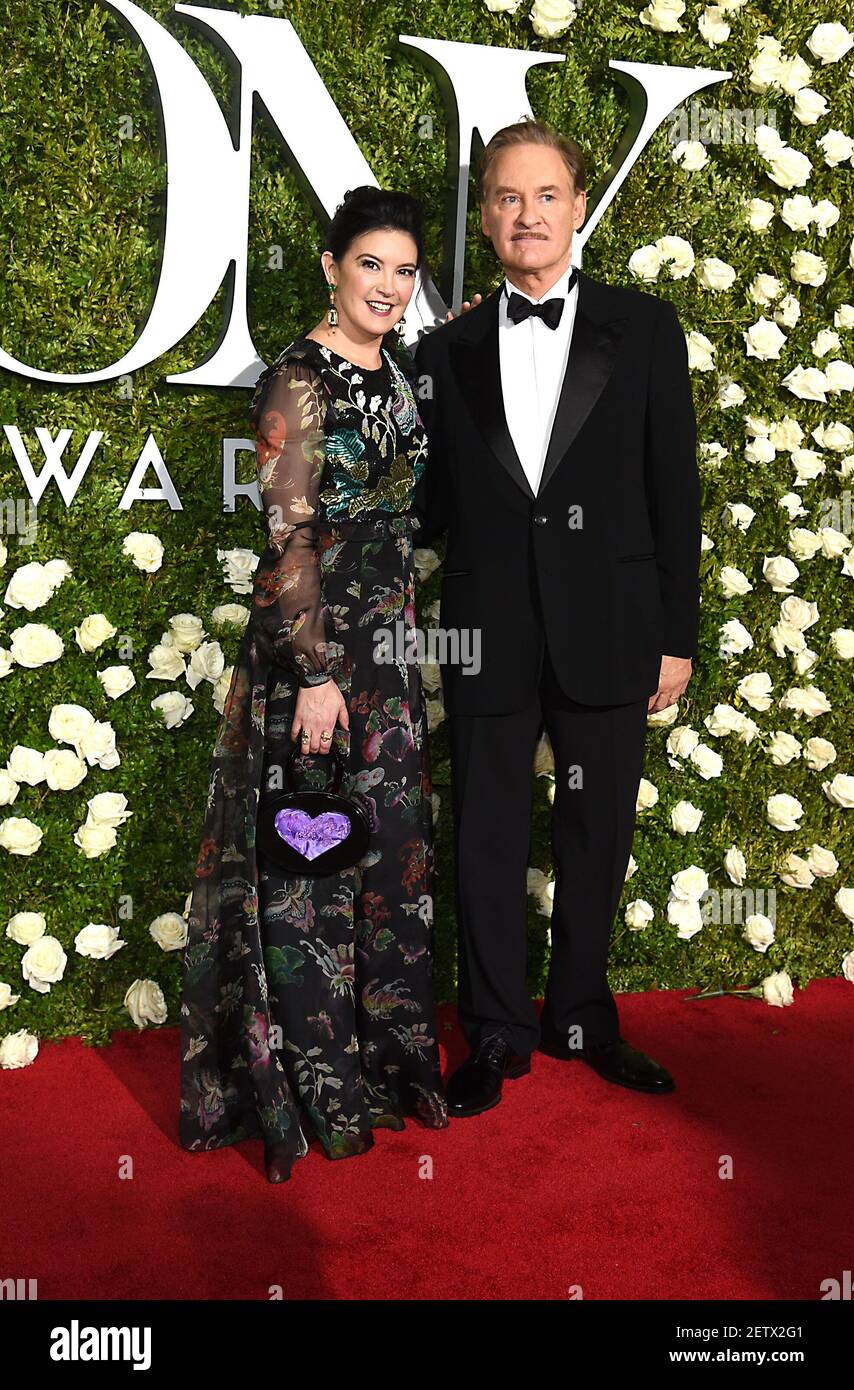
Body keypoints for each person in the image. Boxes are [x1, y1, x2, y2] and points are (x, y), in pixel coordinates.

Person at [413, 118, 701, 1118]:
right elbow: (426, 504)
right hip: (487, 631)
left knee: (594, 834)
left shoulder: (645, 328)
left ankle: (582, 1014)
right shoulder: (442, 352)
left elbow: (676, 489)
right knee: (485, 838)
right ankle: (494, 1031)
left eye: (543, 196)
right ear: (484, 217)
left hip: (612, 629)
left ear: (577, 209)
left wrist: (677, 635)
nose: (524, 214)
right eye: (504, 197)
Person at [180, 186, 448, 1182]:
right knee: (311, 872)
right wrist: (317, 673)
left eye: (403, 270)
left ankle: (384, 1062)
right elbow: (285, 535)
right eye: (369, 264)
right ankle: (312, 1081)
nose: (386, 285)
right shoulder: (295, 381)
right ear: (332, 265)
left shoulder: (403, 372)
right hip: (319, 657)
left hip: (391, 652)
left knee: (389, 867)